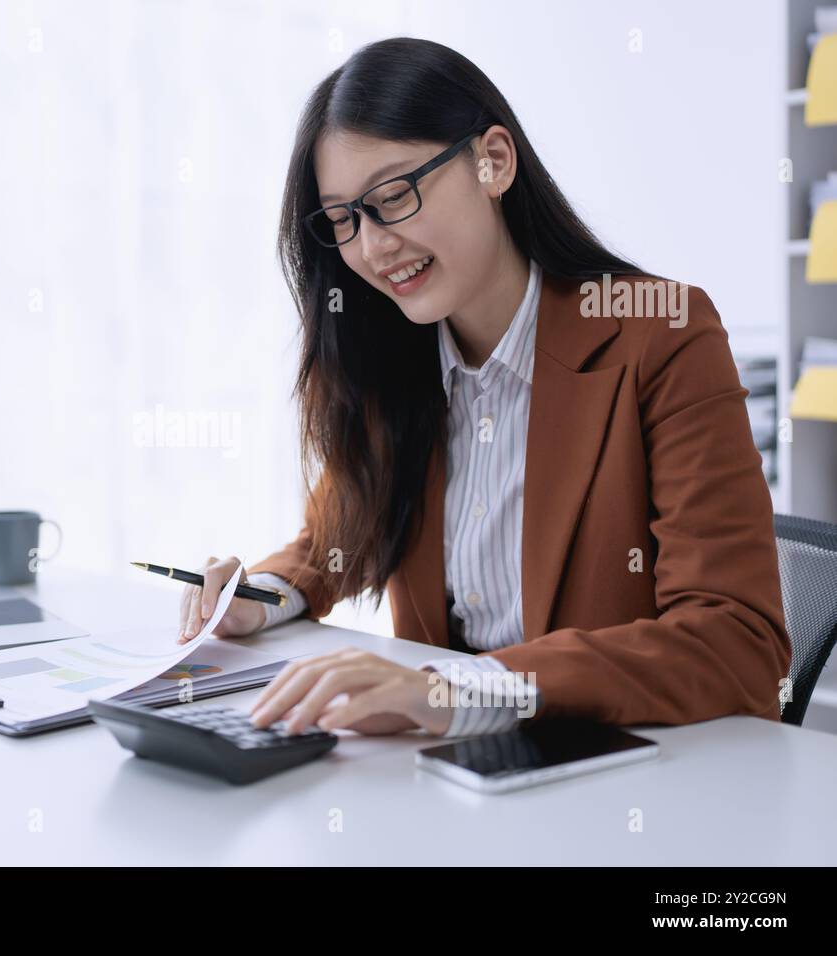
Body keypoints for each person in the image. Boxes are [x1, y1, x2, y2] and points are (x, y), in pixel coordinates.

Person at [176, 37, 790, 740]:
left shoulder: (661, 336)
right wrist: (258, 596)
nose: (372, 248)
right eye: (344, 219)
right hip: (458, 770)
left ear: (492, 161)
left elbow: (736, 642)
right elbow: (333, 539)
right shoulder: (395, 355)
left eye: (394, 197)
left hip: (626, 765)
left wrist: (459, 688)